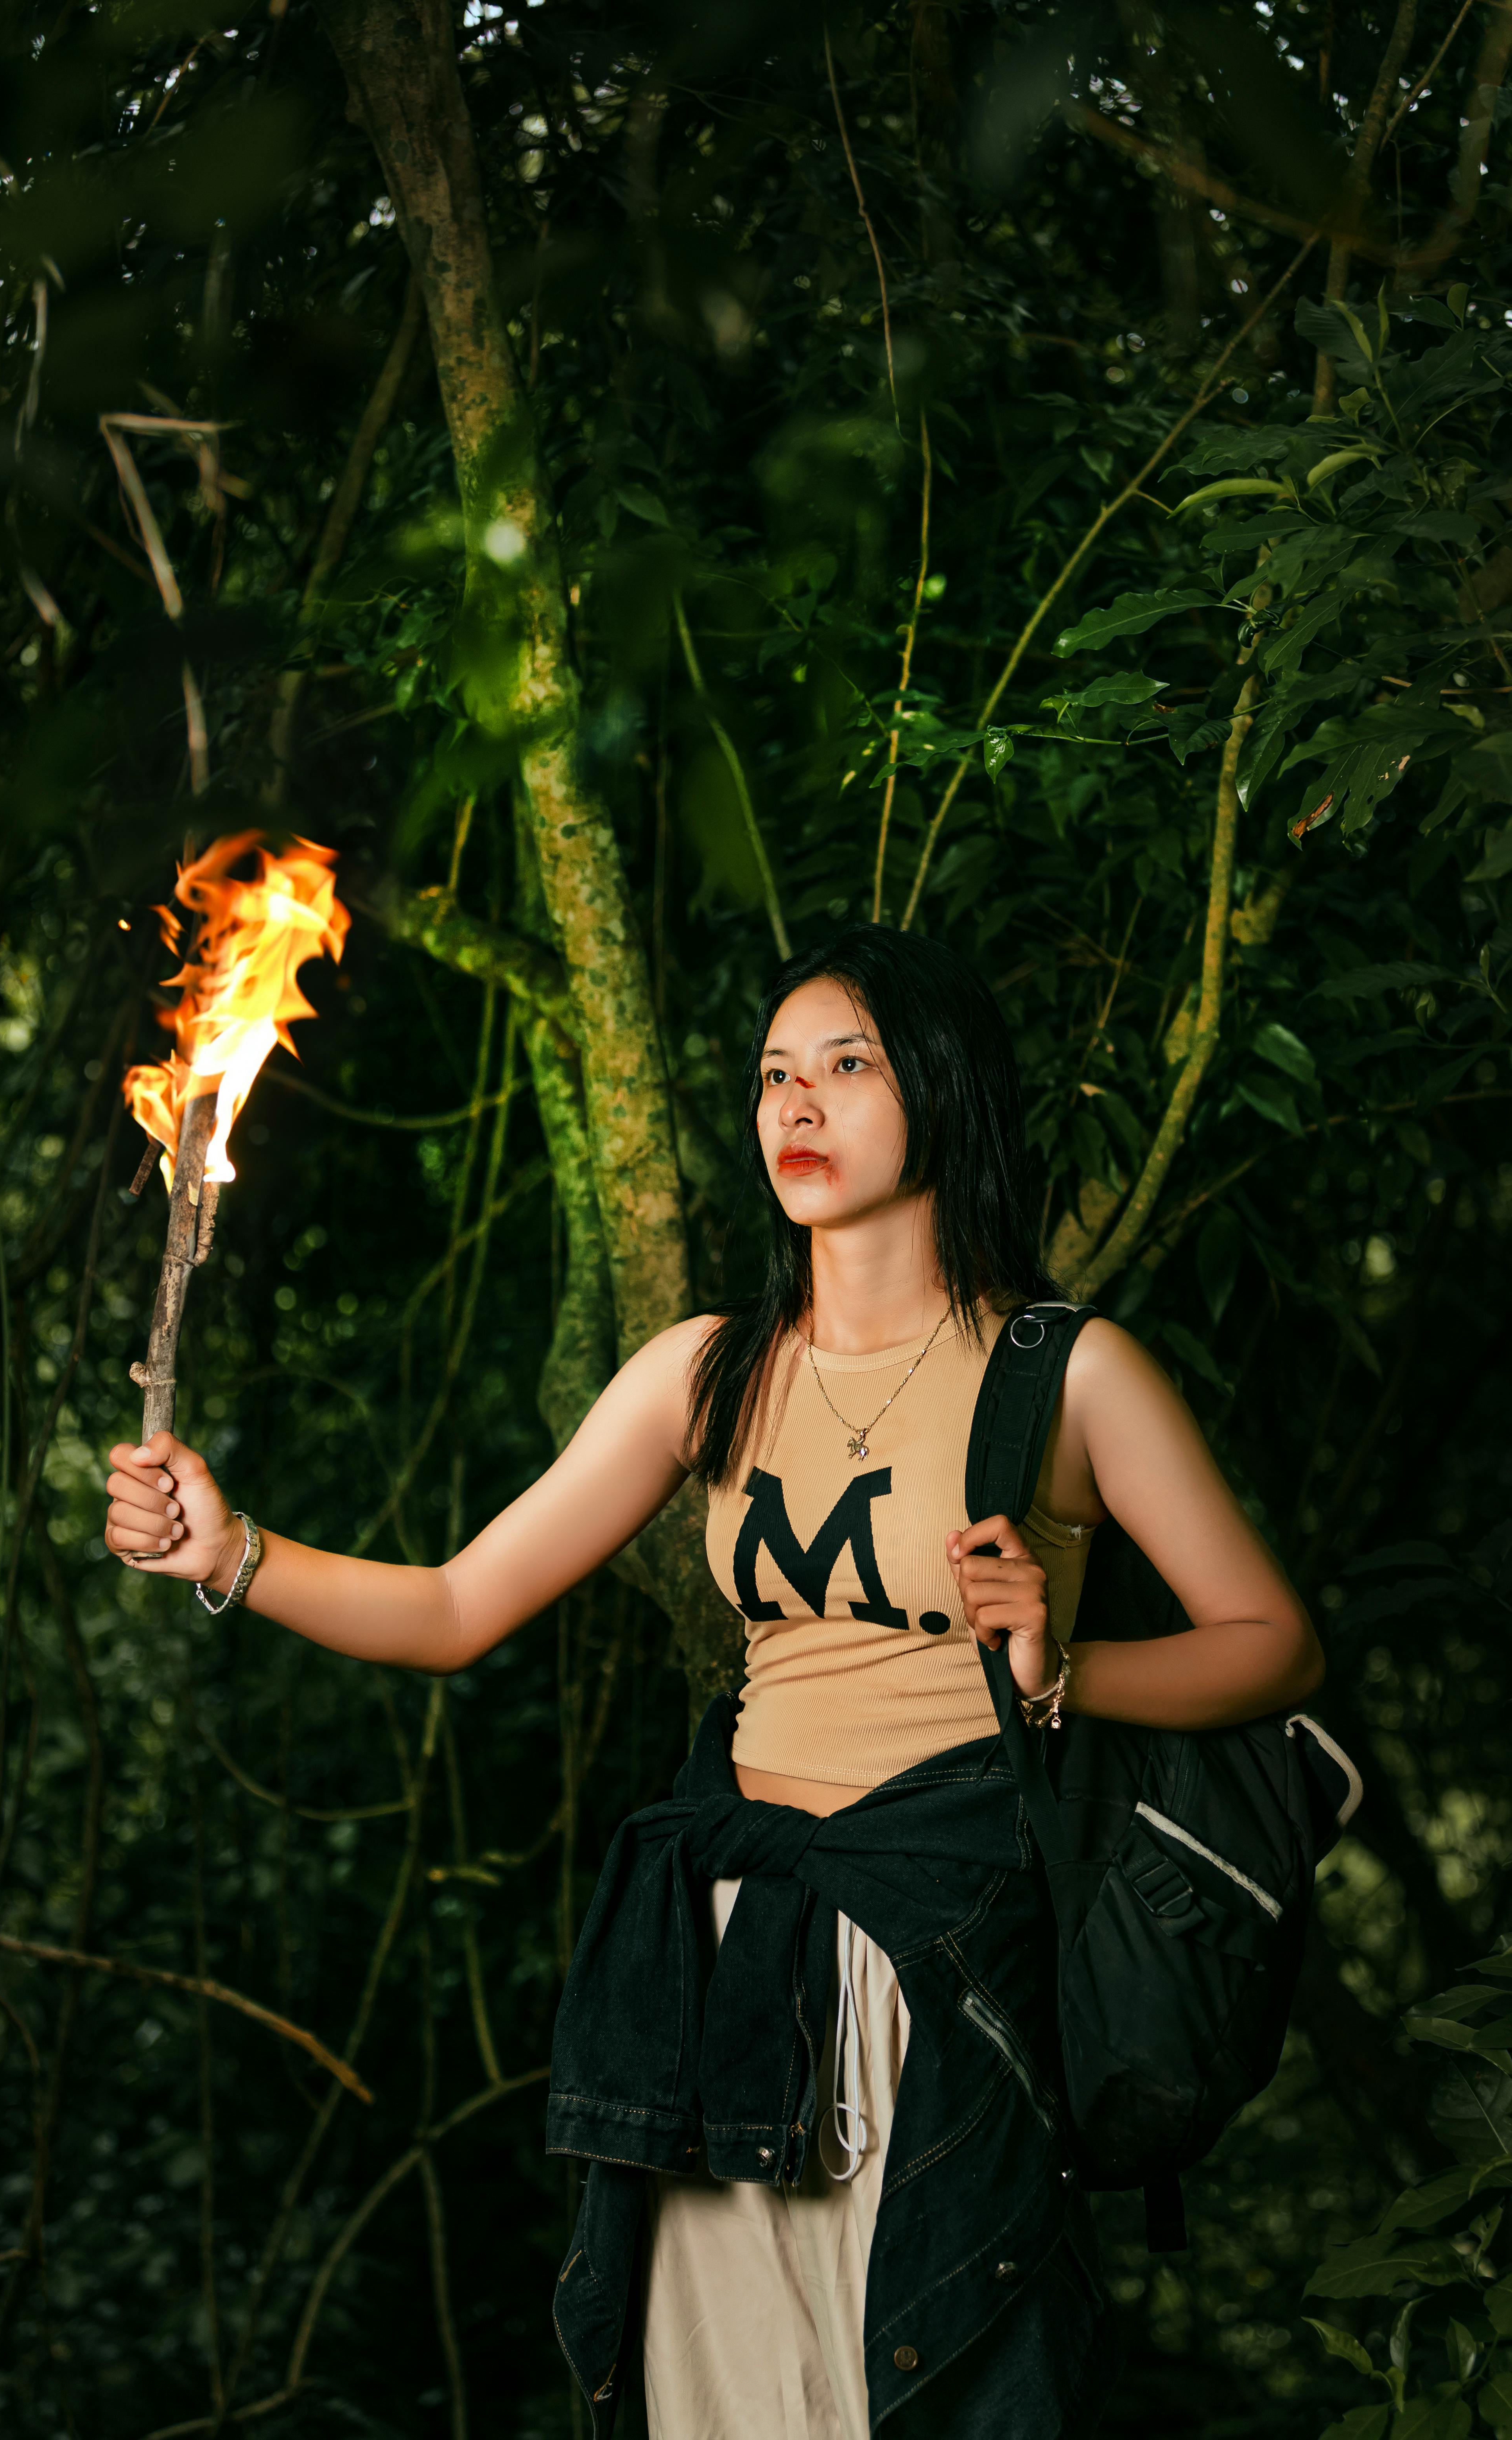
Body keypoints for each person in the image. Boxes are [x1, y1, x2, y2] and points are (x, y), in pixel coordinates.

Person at [103, 924, 1323, 2440]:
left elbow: (1269, 1646)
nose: (793, 1108)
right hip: (720, 1971)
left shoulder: (1063, 1374)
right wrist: (233, 1554)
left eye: (846, 1066)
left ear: (939, 1090)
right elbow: (456, 1604)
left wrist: (1062, 1667)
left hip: (939, 1980)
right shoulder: (706, 1370)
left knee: (935, 2392)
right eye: (770, 1076)